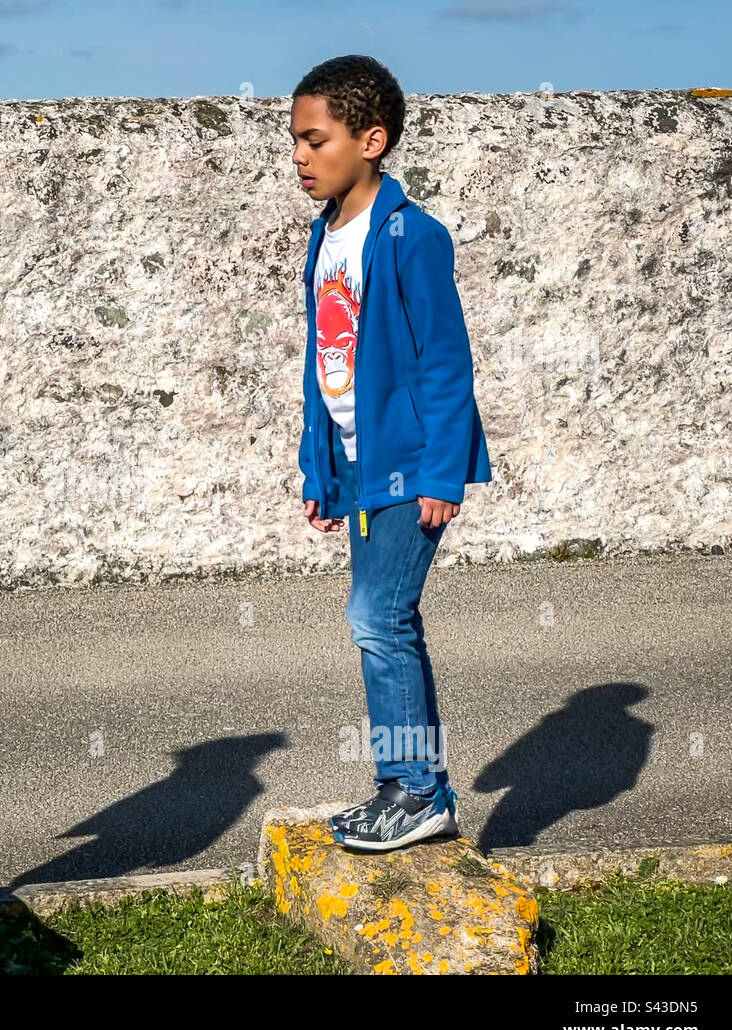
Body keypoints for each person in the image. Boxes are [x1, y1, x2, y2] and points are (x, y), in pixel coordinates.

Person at [291, 56, 492, 851]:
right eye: (296, 141)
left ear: (371, 140)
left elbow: (445, 361)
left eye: (317, 139)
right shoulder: (327, 235)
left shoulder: (411, 236)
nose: (301, 157)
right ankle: (399, 785)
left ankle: (419, 790)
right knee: (378, 622)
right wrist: (321, 468)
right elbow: (325, 365)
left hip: (415, 465)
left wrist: (443, 470)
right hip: (363, 466)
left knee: (379, 617)